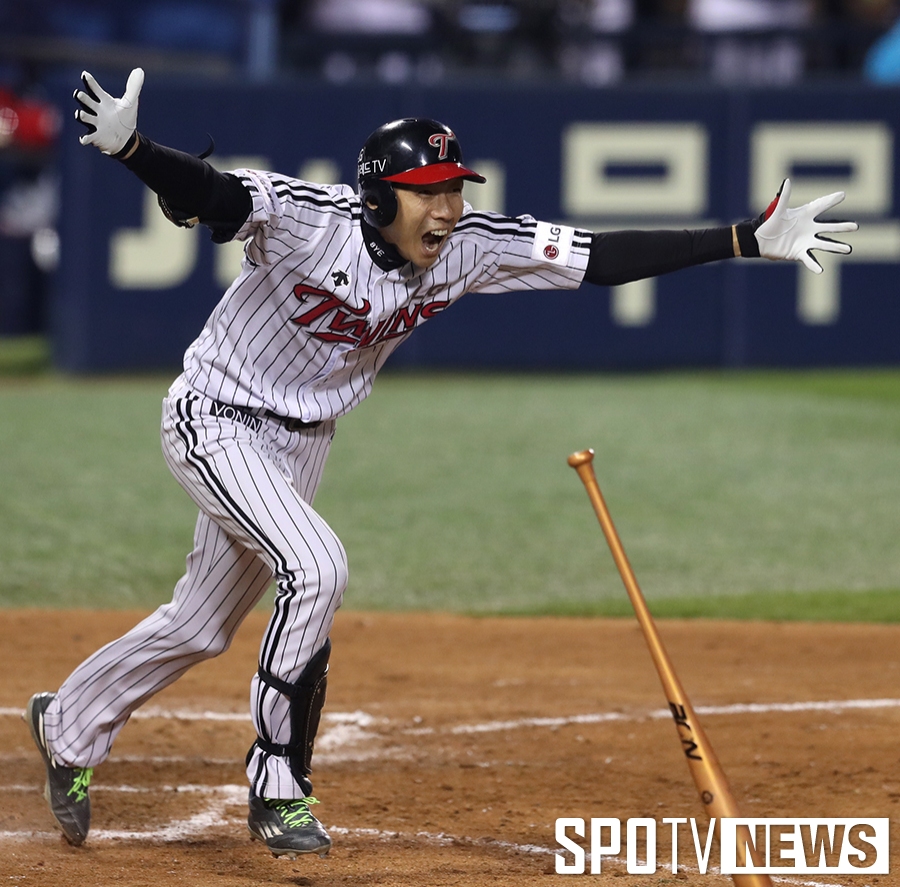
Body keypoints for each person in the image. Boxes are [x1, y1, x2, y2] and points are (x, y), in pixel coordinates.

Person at [26, 67, 856, 859]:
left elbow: (601, 255)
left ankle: (68, 723)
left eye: (457, 189)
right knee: (317, 568)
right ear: (382, 194)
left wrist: (743, 238)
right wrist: (138, 152)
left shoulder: (469, 248)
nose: (450, 208)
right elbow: (213, 195)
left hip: (301, 441)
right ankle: (278, 780)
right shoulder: (308, 219)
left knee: (202, 624)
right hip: (214, 417)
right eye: (433, 192)